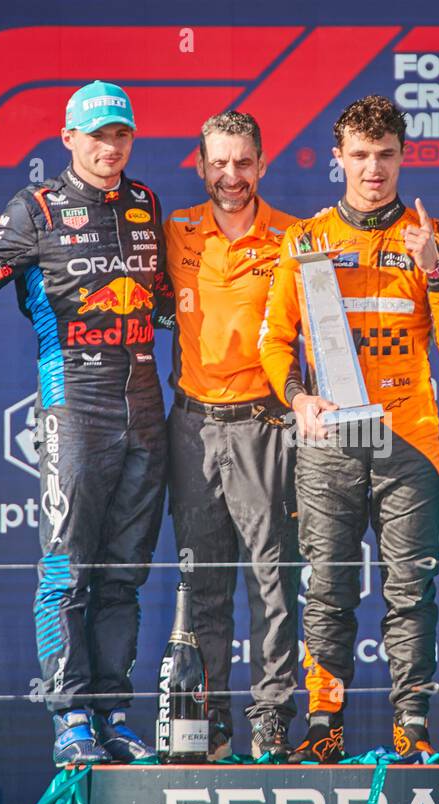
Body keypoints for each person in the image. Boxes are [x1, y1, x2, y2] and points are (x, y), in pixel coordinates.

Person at [0, 81, 176, 767]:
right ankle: (70, 716)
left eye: (121, 135)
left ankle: (111, 714)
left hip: (144, 401)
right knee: (68, 568)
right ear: (68, 140)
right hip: (74, 400)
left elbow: (163, 306)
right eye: (97, 135)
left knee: (125, 574)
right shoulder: (35, 207)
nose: (110, 148)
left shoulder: (145, 204)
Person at [260, 94, 439, 763]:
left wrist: (435, 273)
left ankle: (411, 728)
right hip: (329, 440)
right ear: (340, 159)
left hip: (409, 438)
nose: (374, 168)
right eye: (360, 155)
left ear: (403, 155)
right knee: (324, 585)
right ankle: (324, 725)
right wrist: (298, 399)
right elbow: (275, 343)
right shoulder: (305, 240)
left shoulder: (434, 236)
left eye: (385, 154)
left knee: (409, 588)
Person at [163, 112, 300, 760]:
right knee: (204, 582)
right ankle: (211, 728)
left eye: (244, 162)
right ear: (200, 164)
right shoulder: (176, 230)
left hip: (262, 423)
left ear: (263, 164)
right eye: (219, 162)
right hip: (190, 426)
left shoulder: (292, 238)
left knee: (272, 582)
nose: (231, 175)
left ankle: (271, 720)